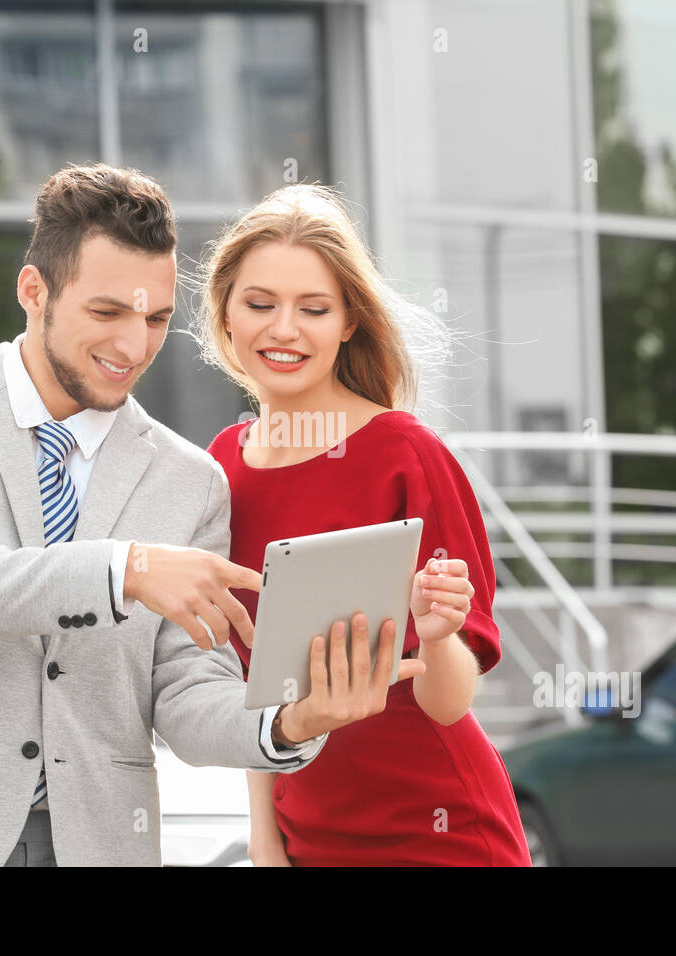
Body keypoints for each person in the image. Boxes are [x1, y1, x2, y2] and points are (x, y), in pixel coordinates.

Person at [0, 164, 415, 866]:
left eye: (155, 318)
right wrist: (124, 568)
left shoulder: (192, 483)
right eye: (108, 313)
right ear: (34, 291)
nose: (133, 346)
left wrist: (292, 721)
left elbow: (187, 694)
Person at [197, 183, 533, 866]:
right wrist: (267, 842)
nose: (283, 329)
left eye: (313, 309)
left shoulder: (407, 456)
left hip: (441, 834)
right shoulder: (220, 467)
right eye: (260, 304)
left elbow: (450, 704)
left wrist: (438, 640)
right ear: (227, 313)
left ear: (348, 321)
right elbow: (251, 689)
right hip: (308, 840)